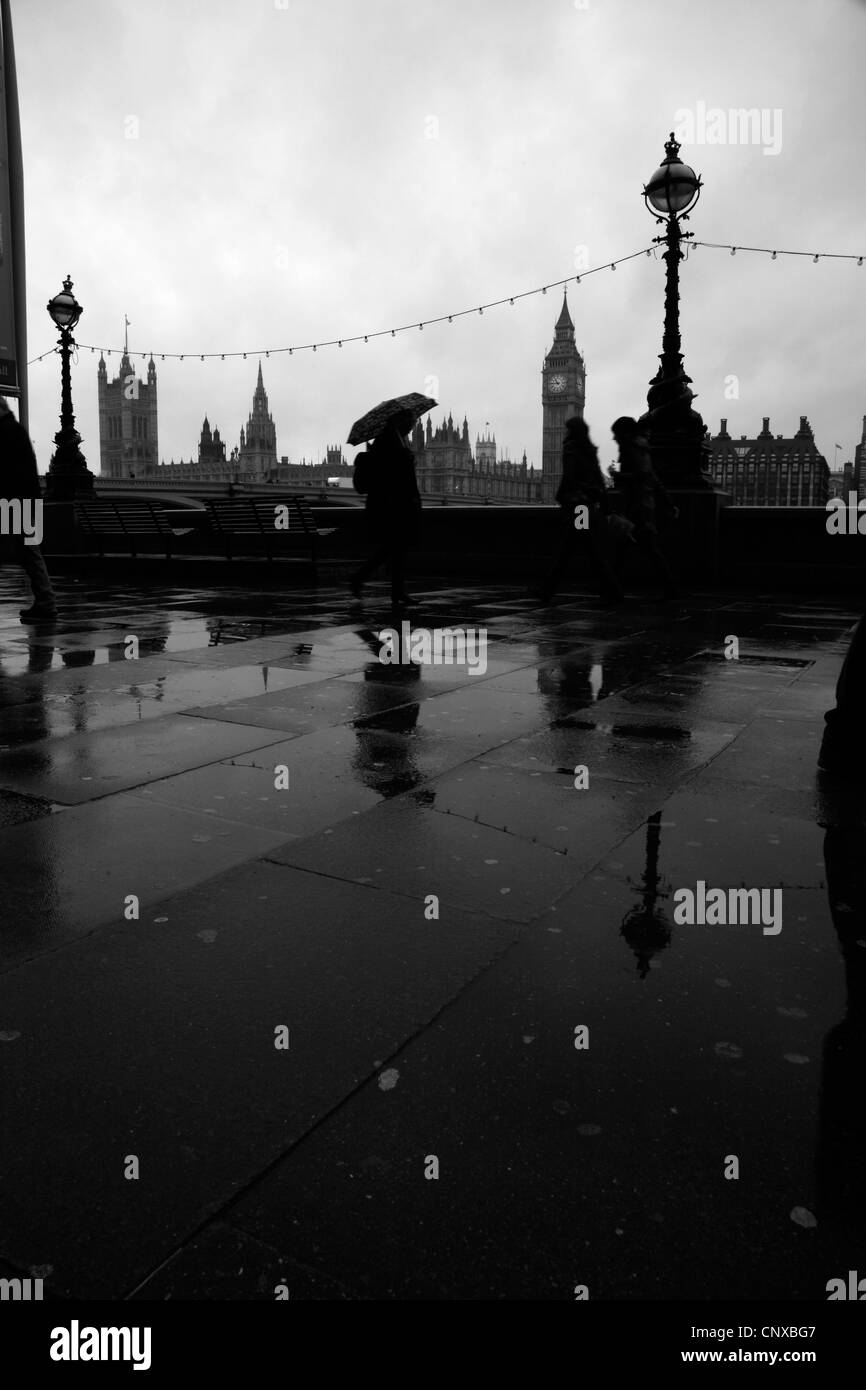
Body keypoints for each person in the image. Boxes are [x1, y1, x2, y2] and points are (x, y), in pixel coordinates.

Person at [538, 415, 623, 606]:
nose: (566, 433)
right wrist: (607, 508)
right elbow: (600, 483)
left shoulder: (571, 448)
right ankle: (547, 590)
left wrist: (560, 496)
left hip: (579, 509)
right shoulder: (589, 451)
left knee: (575, 550)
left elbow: (569, 478)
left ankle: (546, 591)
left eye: (568, 429)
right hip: (588, 506)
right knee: (582, 550)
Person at [350, 408, 421, 608]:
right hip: (390, 505)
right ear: (401, 421)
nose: (413, 425)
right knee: (394, 548)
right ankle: (364, 580)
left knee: (395, 549)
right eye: (411, 421)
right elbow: (390, 474)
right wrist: (406, 459)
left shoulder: (395, 439)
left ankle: (393, 591)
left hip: (395, 504)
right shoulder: (389, 441)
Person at [0, 395, 58, 622]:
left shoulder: (5, 431)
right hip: (25, 499)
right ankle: (45, 601)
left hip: (15, 502)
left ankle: (46, 602)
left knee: (27, 552)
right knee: (28, 551)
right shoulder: (15, 429)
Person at [611, 416, 679, 599]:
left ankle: (610, 589)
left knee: (643, 549)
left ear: (624, 434)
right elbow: (652, 478)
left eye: (616, 434)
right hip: (643, 505)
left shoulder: (632, 448)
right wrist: (668, 502)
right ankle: (610, 588)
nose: (613, 439)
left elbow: (641, 476)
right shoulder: (642, 447)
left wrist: (618, 476)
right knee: (627, 548)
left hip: (638, 507)